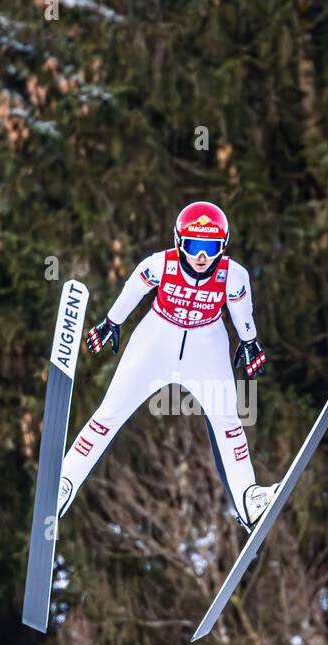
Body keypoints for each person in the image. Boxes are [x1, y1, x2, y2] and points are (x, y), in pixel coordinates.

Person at [57, 201, 279, 532]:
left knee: (228, 420)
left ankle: (248, 499)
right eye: (193, 246)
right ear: (179, 243)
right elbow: (133, 289)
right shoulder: (159, 264)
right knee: (109, 413)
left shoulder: (233, 276)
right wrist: (111, 323)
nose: (201, 256)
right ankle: (63, 484)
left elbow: (242, 313)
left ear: (223, 246)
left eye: (210, 248)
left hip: (207, 345)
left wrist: (249, 342)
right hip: (156, 340)